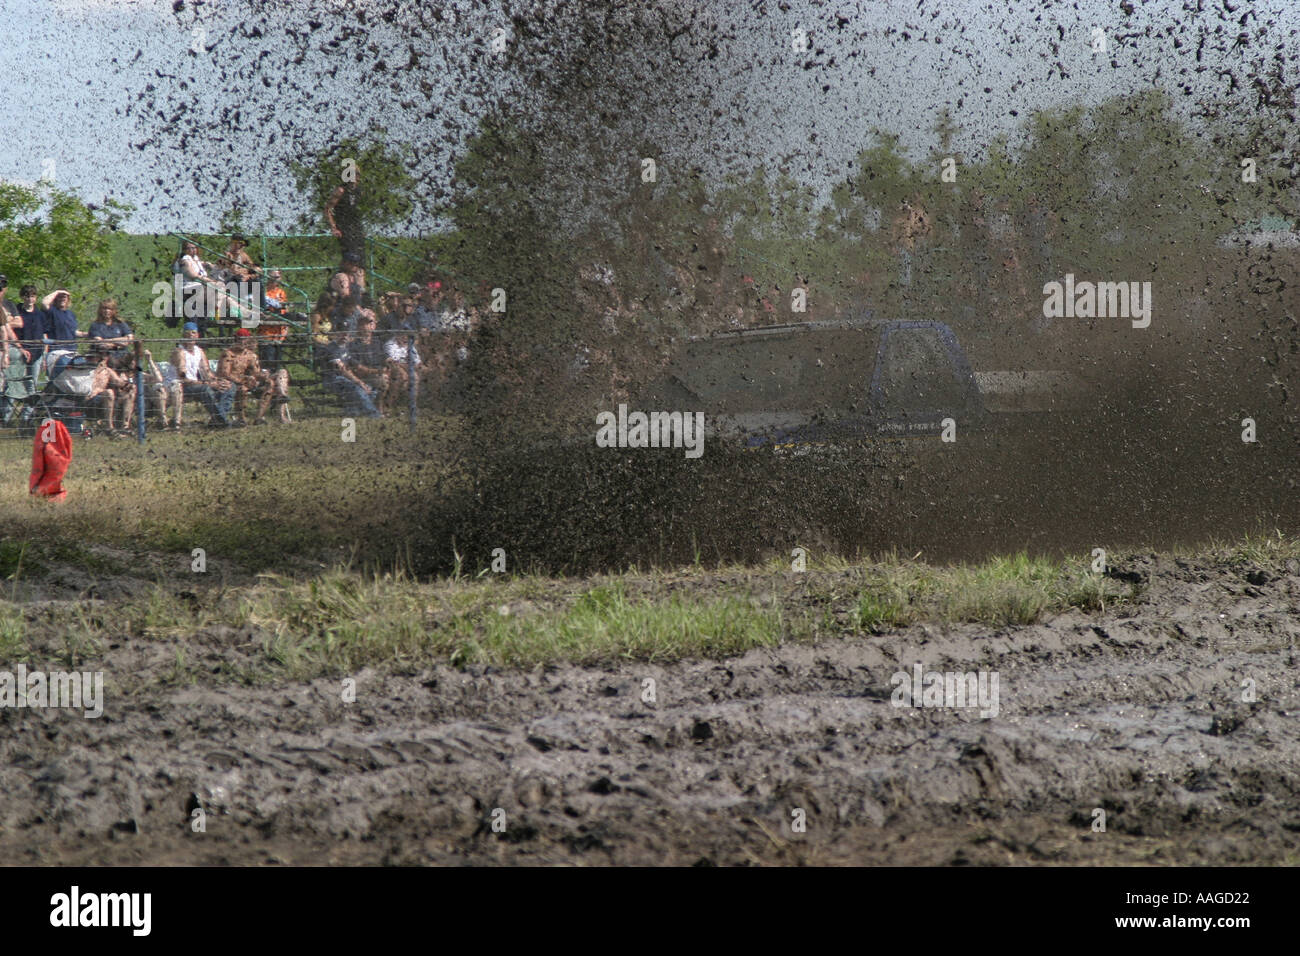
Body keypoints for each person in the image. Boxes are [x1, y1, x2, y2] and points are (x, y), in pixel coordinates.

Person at [171, 322, 237, 427]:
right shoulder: (179, 352)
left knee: (230, 386)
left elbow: (207, 372)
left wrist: (218, 381)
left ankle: (217, 420)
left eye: (193, 333)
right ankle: (222, 421)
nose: (191, 336)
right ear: (183, 335)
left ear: (197, 335)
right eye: (188, 334)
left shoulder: (199, 351)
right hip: (182, 386)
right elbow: (183, 379)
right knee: (205, 390)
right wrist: (208, 384)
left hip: (197, 384)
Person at [218, 328, 288, 426]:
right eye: (240, 339)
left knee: (270, 383)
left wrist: (262, 376)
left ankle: (259, 417)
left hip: (248, 381)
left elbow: (255, 372)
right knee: (242, 389)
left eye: (244, 339)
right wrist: (243, 379)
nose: (242, 342)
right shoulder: (228, 354)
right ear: (235, 340)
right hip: (232, 382)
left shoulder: (250, 355)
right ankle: (241, 418)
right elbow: (224, 373)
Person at [320, 330, 381, 418]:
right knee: (358, 389)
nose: (345, 336)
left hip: (345, 379)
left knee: (372, 389)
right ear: (336, 334)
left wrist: (378, 371)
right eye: (342, 333)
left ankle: (354, 410)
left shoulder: (345, 348)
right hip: (333, 379)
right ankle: (374, 415)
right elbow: (342, 370)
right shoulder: (331, 349)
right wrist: (360, 382)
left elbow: (356, 364)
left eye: (347, 334)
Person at [85, 350, 136, 435]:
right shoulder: (86, 370)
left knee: (130, 392)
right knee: (109, 392)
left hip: (103, 399)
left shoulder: (107, 371)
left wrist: (129, 385)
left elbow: (119, 382)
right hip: (88, 400)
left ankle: (125, 426)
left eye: (106, 356)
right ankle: (109, 428)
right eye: (101, 356)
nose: (104, 359)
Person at [324, 175, 365, 266]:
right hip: (343, 227)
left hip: (356, 227)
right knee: (350, 257)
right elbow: (328, 209)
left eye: (357, 174)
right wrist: (333, 227)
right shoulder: (341, 190)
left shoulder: (359, 191)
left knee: (360, 258)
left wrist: (361, 229)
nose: (356, 177)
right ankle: (342, 278)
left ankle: (358, 279)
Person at [142, 347, 183, 430]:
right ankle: (163, 421)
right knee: (160, 389)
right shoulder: (164, 365)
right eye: (174, 355)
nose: (178, 358)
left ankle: (176, 421)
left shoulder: (183, 369)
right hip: (160, 392)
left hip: (175, 393)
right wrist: (150, 360)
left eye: (180, 356)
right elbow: (159, 379)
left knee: (177, 386)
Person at [13, 285, 46, 387]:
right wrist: (19, 348)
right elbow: (11, 332)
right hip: (20, 352)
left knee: (32, 382)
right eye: (27, 296)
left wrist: (44, 355)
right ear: (22, 297)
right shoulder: (16, 312)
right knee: (15, 381)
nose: (30, 299)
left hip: (37, 352)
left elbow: (44, 334)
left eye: (33, 296)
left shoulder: (40, 314)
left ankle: (29, 402)